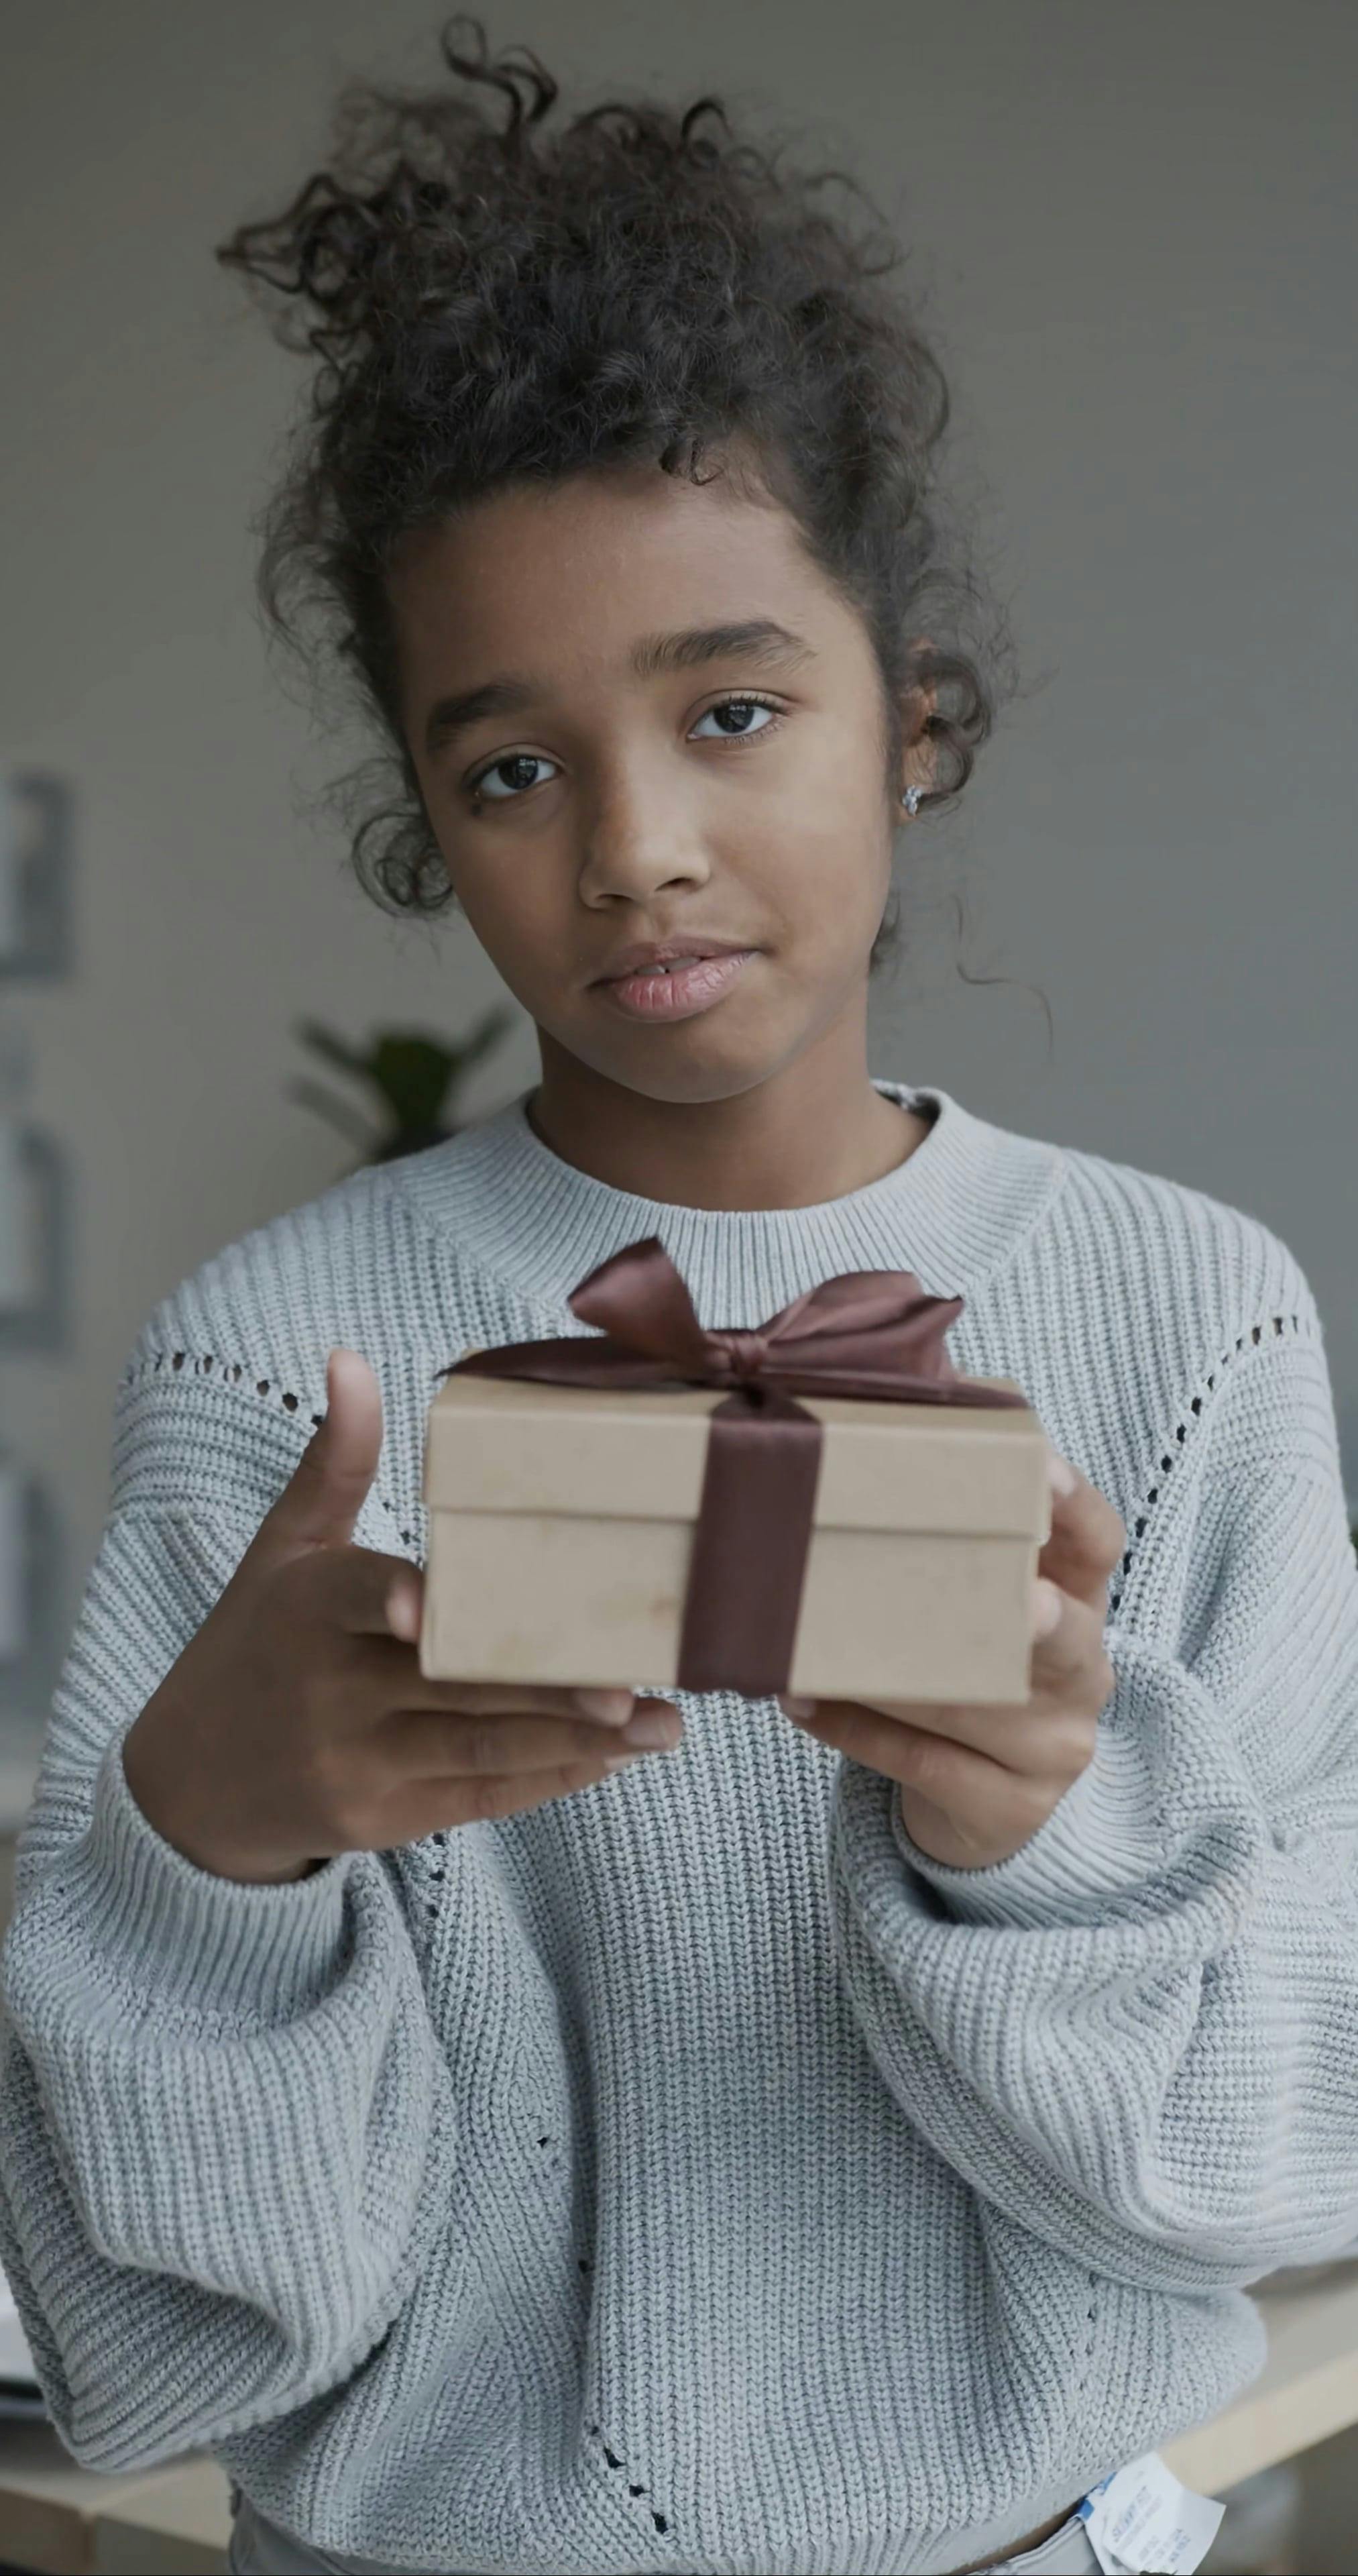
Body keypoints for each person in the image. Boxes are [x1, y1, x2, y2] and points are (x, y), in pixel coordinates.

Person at [1, 19, 1355, 2575]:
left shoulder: (1191, 1326)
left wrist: (1048, 1833)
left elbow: (1280, 2160)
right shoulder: (270, 1371)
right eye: (509, 768)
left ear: (909, 729)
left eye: (732, 709)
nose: (635, 845)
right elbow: (153, 2354)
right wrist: (208, 1848)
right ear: (423, 818)